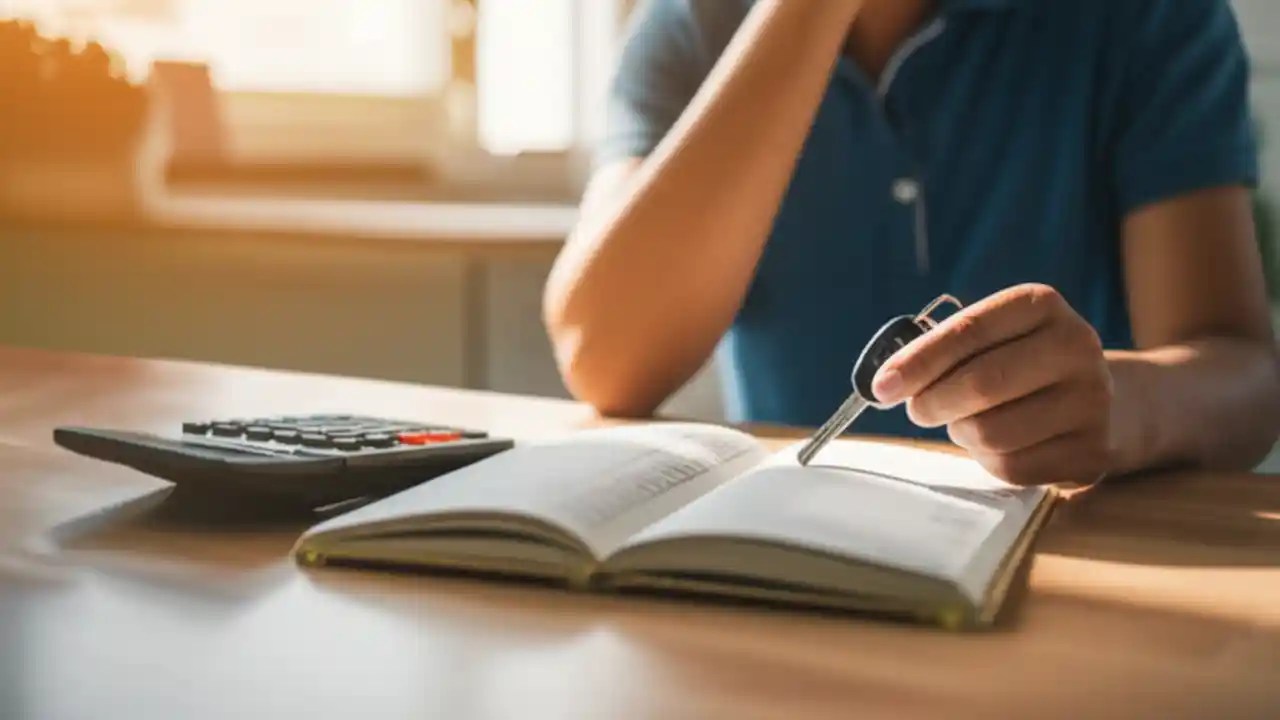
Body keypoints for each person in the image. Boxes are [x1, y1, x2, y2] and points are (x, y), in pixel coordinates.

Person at [543, 0, 1280, 485]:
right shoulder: (693, 26)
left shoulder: (1147, 18)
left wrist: (1121, 407)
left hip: (1075, 547)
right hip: (794, 552)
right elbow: (607, 363)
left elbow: (1244, 378)